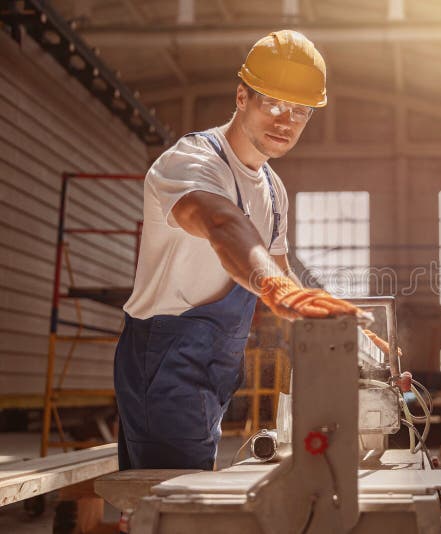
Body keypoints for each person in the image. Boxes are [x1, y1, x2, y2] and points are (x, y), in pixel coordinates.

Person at [114, 30, 361, 470]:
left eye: (300, 111)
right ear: (242, 97)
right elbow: (220, 224)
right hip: (167, 361)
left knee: (173, 489)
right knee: (174, 496)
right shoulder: (192, 161)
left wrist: (342, 340)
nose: (286, 121)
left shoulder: (273, 189)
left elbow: (283, 278)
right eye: (273, 103)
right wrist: (273, 286)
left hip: (218, 361)